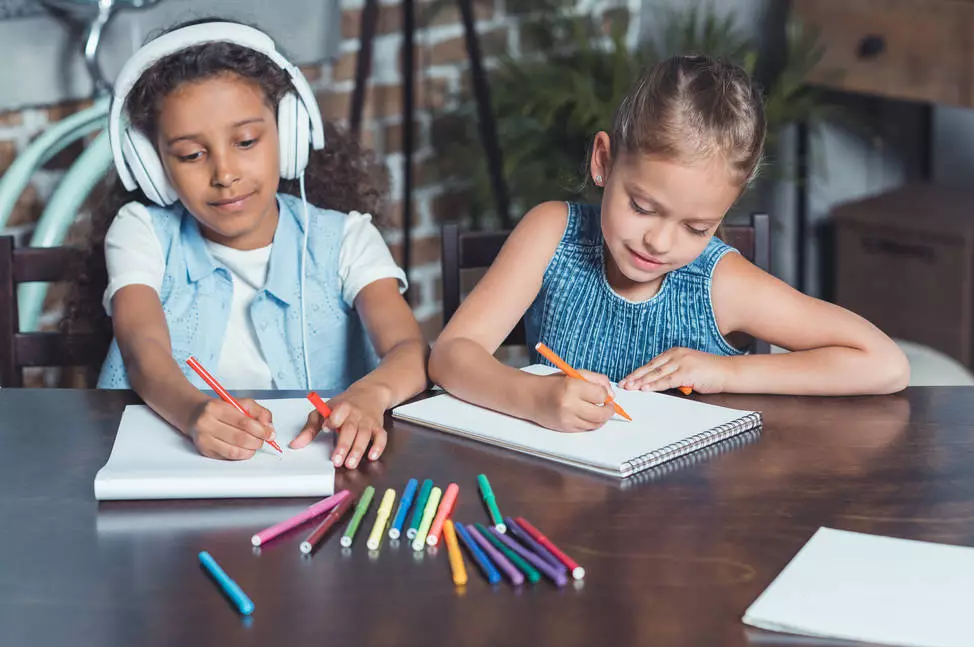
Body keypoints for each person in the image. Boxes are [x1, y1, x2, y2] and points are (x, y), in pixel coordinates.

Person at [429, 55, 909, 433]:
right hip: (563, 503)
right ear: (603, 162)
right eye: (641, 207)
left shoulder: (720, 285)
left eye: (697, 228)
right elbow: (451, 353)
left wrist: (727, 373)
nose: (658, 241)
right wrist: (530, 396)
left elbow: (885, 365)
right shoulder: (551, 233)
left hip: (689, 524)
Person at [87, 19, 426, 467]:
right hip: (169, 465)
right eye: (191, 154)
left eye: (245, 141)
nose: (224, 174)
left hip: (318, 470)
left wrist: (371, 394)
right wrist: (192, 411)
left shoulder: (345, 239)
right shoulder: (140, 231)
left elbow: (408, 349)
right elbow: (142, 346)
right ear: (152, 164)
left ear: (289, 135)